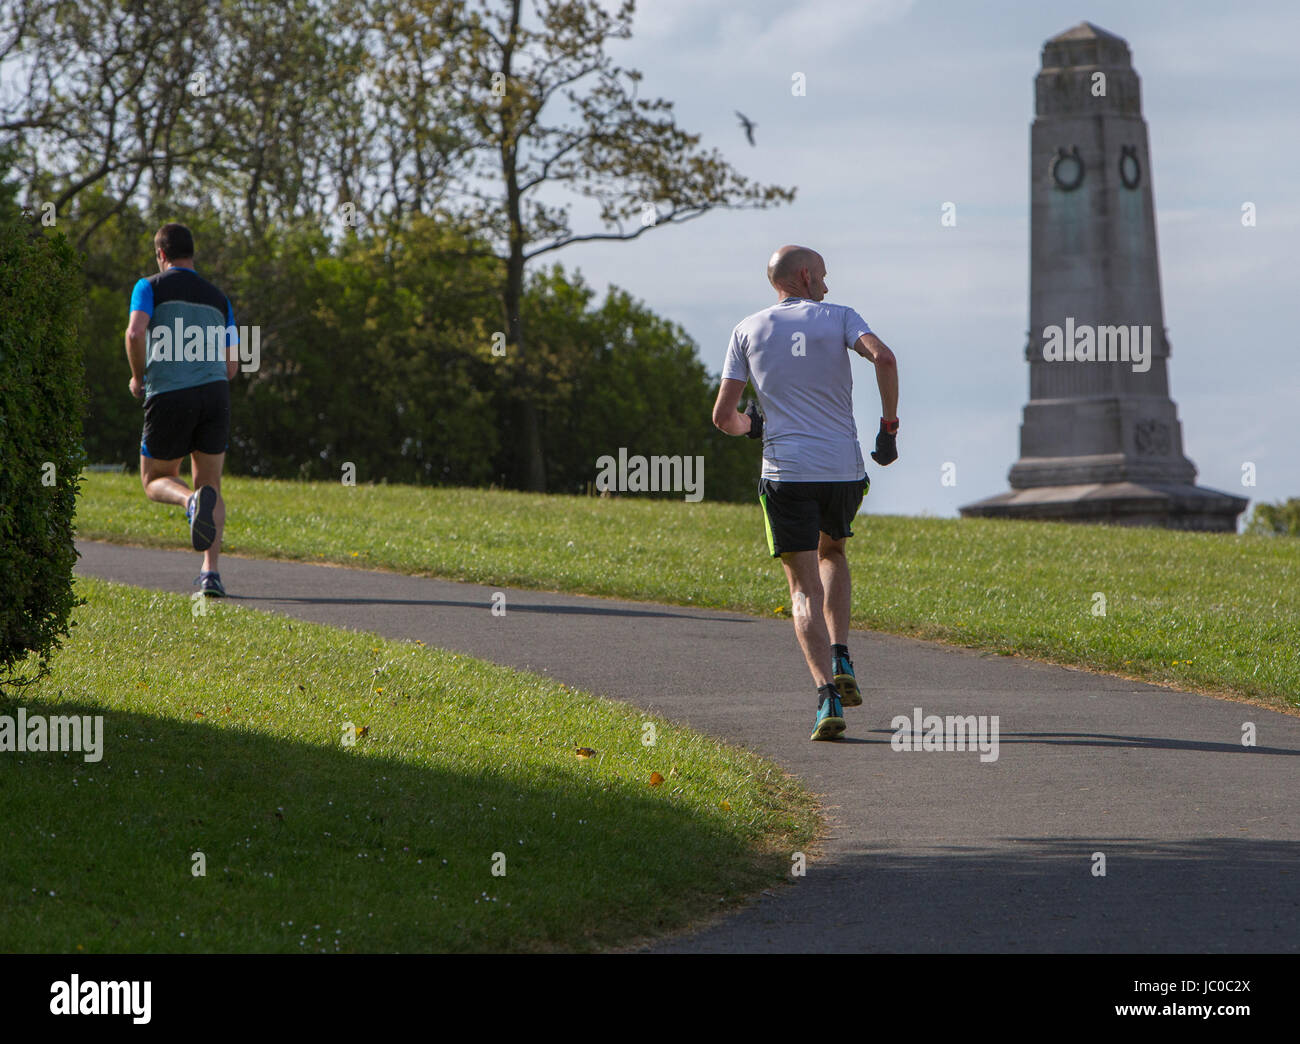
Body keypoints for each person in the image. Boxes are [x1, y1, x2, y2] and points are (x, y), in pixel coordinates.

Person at [713, 245, 899, 740]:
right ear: (805, 275)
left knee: (801, 588)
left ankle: (826, 698)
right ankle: (842, 655)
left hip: (786, 471)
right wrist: (889, 428)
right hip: (842, 468)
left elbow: (722, 418)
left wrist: (755, 427)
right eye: (823, 275)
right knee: (832, 550)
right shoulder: (840, 318)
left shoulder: (746, 330)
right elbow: (884, 357)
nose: (828, 285)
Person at [124, 223, 238, 597]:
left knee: (154, 479)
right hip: (215, 394)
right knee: (212, 484)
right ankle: (211, 575)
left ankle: (189, 502)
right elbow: (233, 365)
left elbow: (135, 334)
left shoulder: (149, 286)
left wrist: (138, 377)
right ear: (193, 254)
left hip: (170, 394)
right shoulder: (220, 298)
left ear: (161, 255)